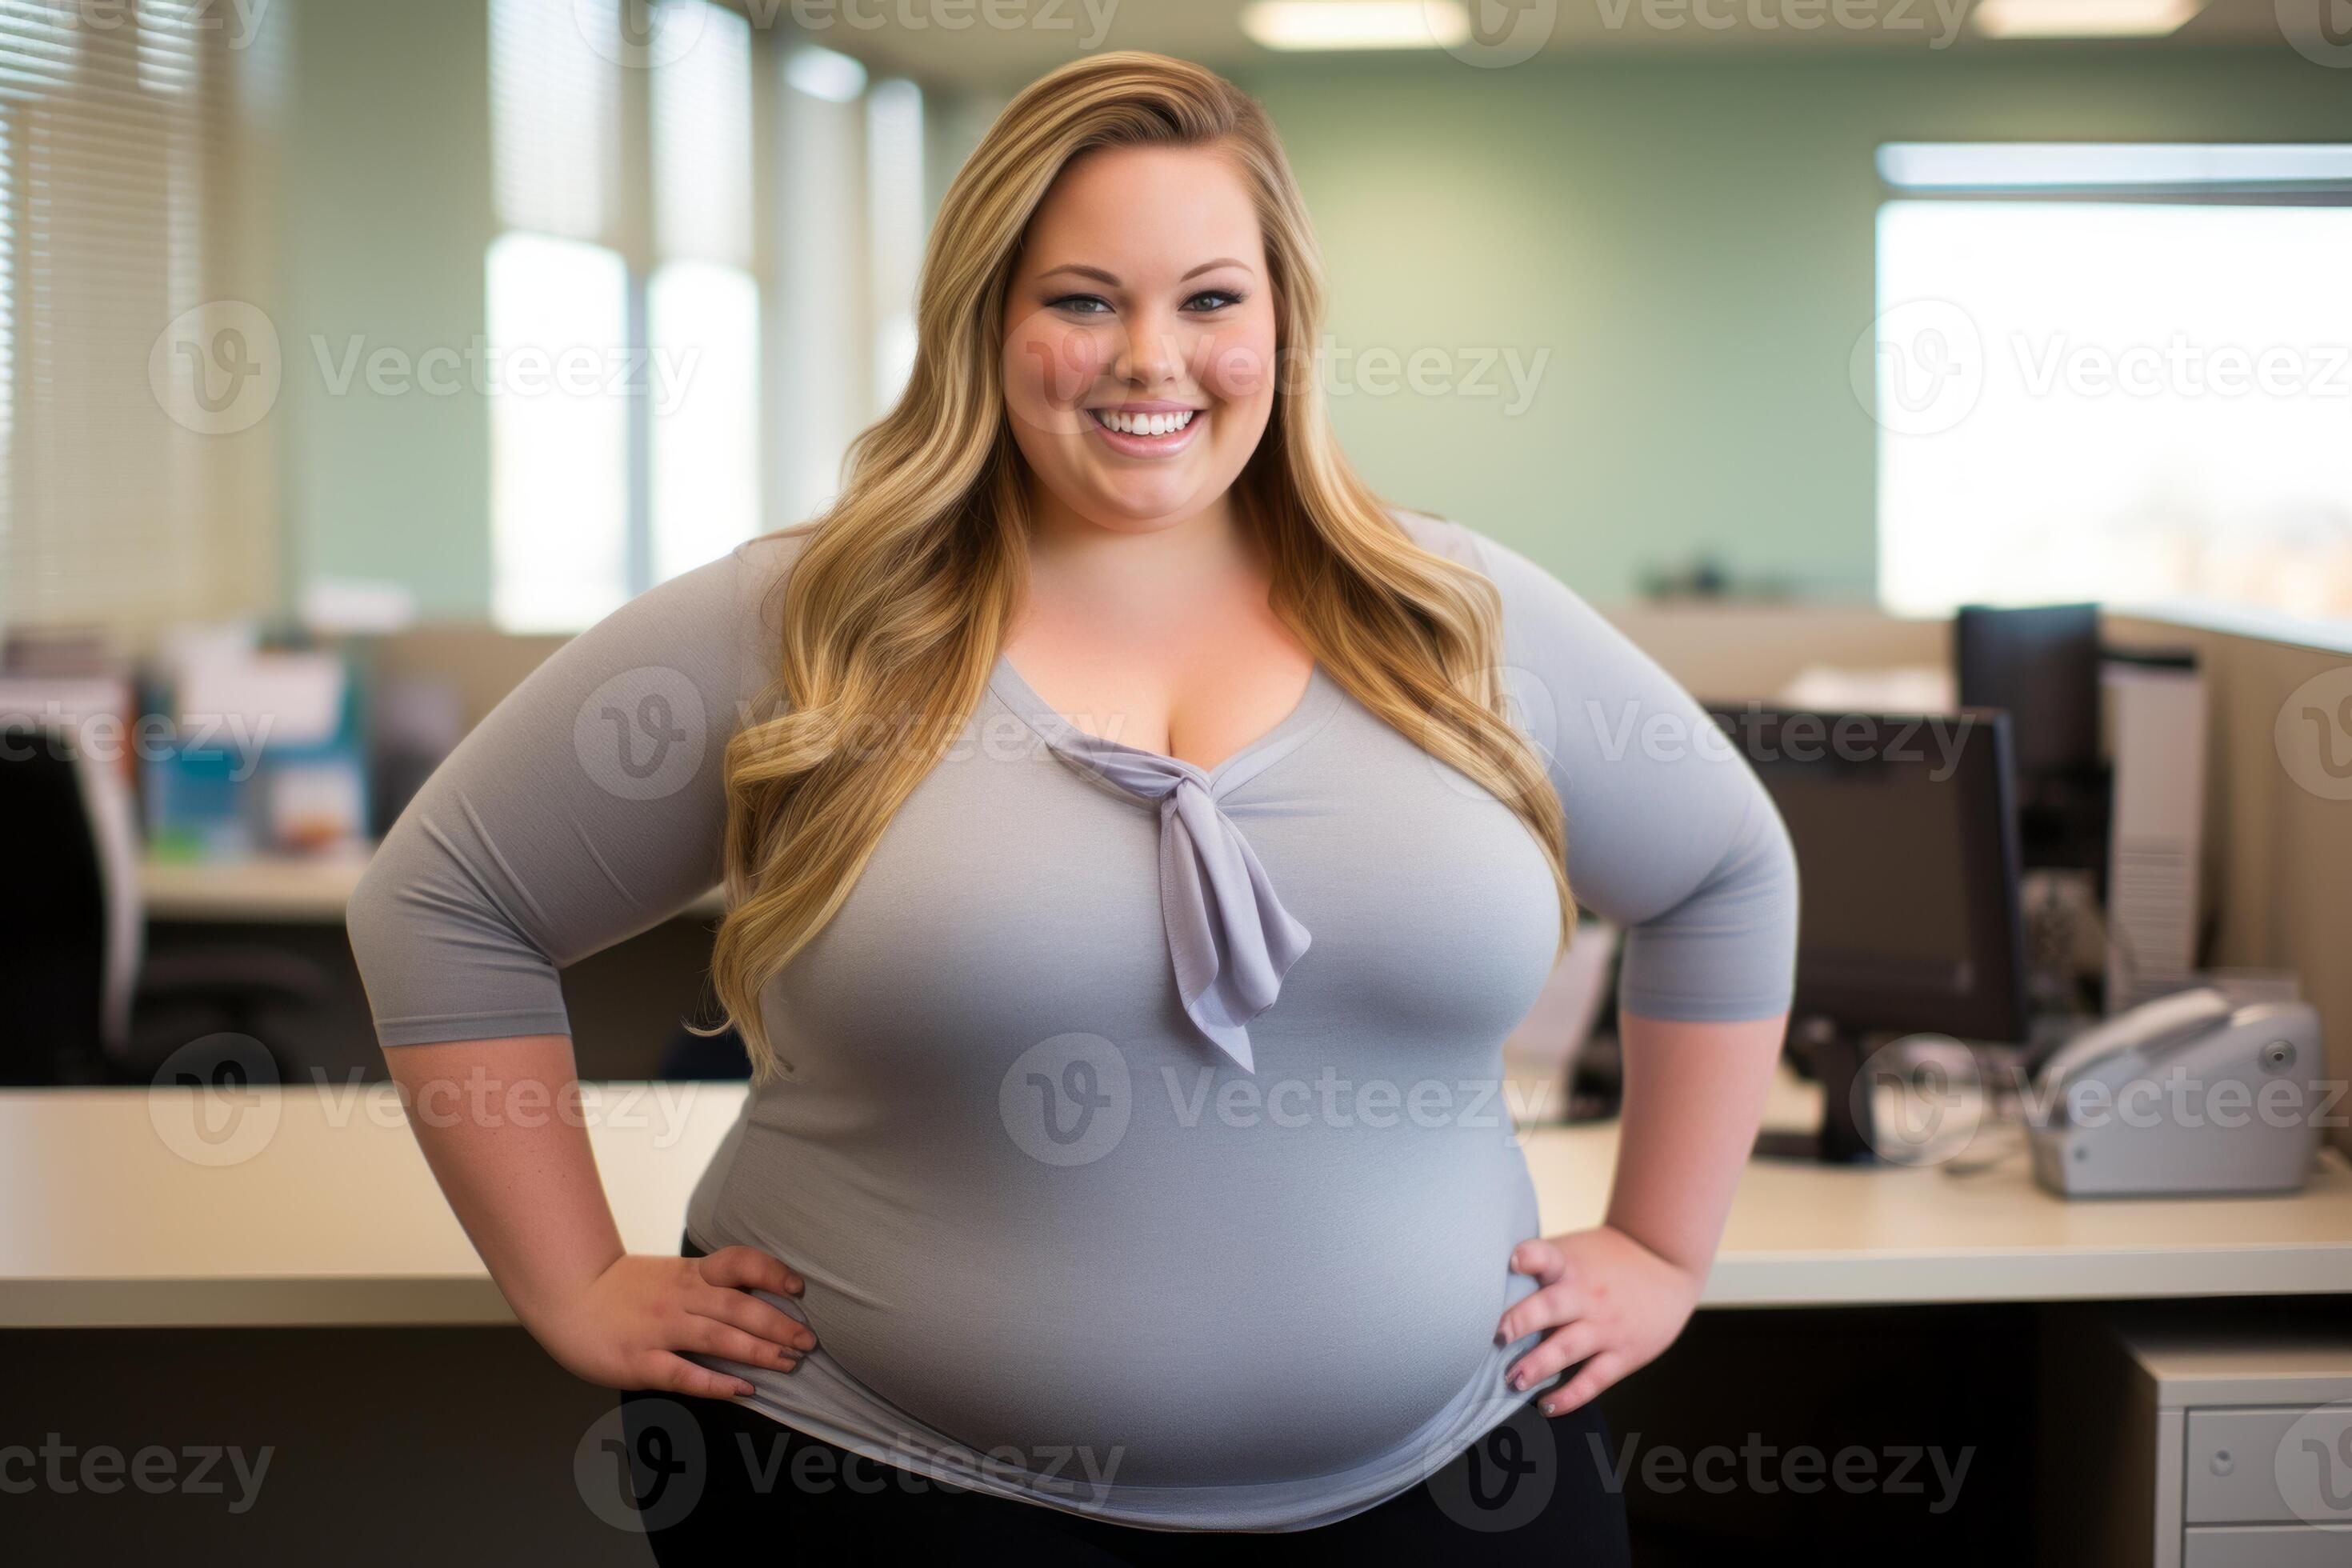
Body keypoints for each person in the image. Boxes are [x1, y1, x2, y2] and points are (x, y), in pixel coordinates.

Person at [346, 50, 1797, 1562]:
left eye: (1212, 300)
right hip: (883, 1482)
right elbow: (444, 903)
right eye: (1083, 300)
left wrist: (1660, 1245)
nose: (1150, 359)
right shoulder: (807, 619)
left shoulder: (1456, 613)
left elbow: (1724, 872)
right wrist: (572, 1281)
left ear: (1286, 325)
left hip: (1459, 1481)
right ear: (988, 322)